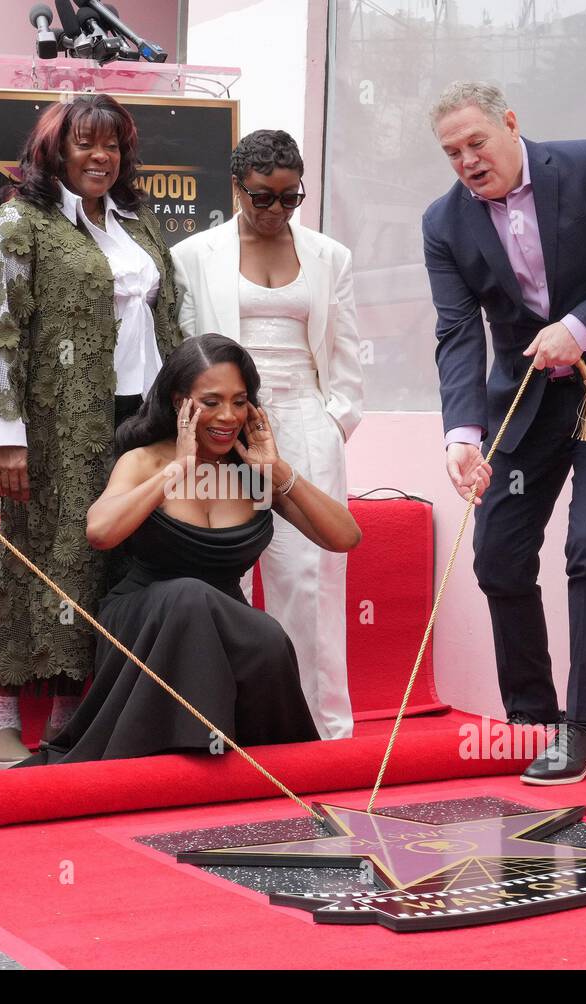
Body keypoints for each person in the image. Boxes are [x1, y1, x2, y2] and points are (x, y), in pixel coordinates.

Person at [422, 80, 586, 784]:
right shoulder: (443, 223)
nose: (469, 161)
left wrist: (578, 327)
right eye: (453, 153)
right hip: (525, 406)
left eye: (477, 142)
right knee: (499, 557)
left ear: (511, 122)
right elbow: (456, 333)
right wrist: (462, 434)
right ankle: (532, 720)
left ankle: (585, 728)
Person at [0, 94, 182, 768]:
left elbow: (171, 321)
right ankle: (1, 719)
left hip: (138, 423)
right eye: (86, 142)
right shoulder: (21, 223)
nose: (101, 157)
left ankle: (69, 714)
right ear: (54, 148)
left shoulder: (136, 226)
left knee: (111, 566)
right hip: (55, 426)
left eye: (112, 146)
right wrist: (8, 437)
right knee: (44, 563)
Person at [17, 333, 360, 767]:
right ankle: (189, 760)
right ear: (181, 402)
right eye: (211, 401)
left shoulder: (251, 474)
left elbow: (344, 537)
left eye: (239, 401)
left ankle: (266, 764)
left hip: (222, 626)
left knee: (267, 634)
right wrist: (178, 470)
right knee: (188, 596)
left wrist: (278, 471)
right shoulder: (145, 461)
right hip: (143, 621)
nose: (228, 415)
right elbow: (100, 532)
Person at [171, 130, 364, 741]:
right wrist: (205, 430)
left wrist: (333, 421)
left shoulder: (330, 256)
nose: (276, 211)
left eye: (290, 198)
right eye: (263, 198)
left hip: (305, 420)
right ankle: (240, 722)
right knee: (225, 564)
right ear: (236, 186)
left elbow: (346, 354)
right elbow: (186, 347)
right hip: (223, 427)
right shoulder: (193, 255)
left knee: (309, 575)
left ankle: (322, 725)